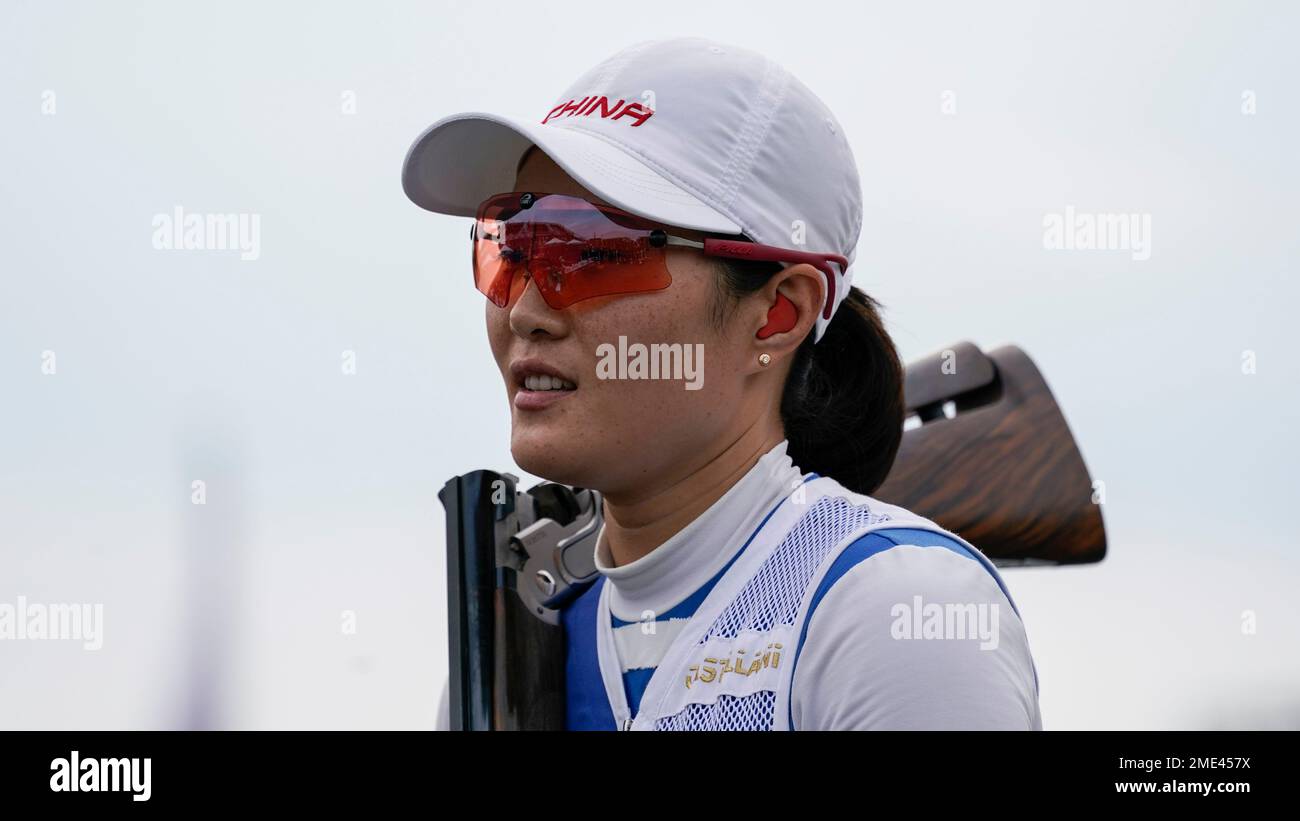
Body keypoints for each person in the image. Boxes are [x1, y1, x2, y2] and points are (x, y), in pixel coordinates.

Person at [405, 37, 1041, 730]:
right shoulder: (504, 667)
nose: (524, 309)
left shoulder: (899, 617)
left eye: (592, 251)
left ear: (778, 314)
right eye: (514, 246)